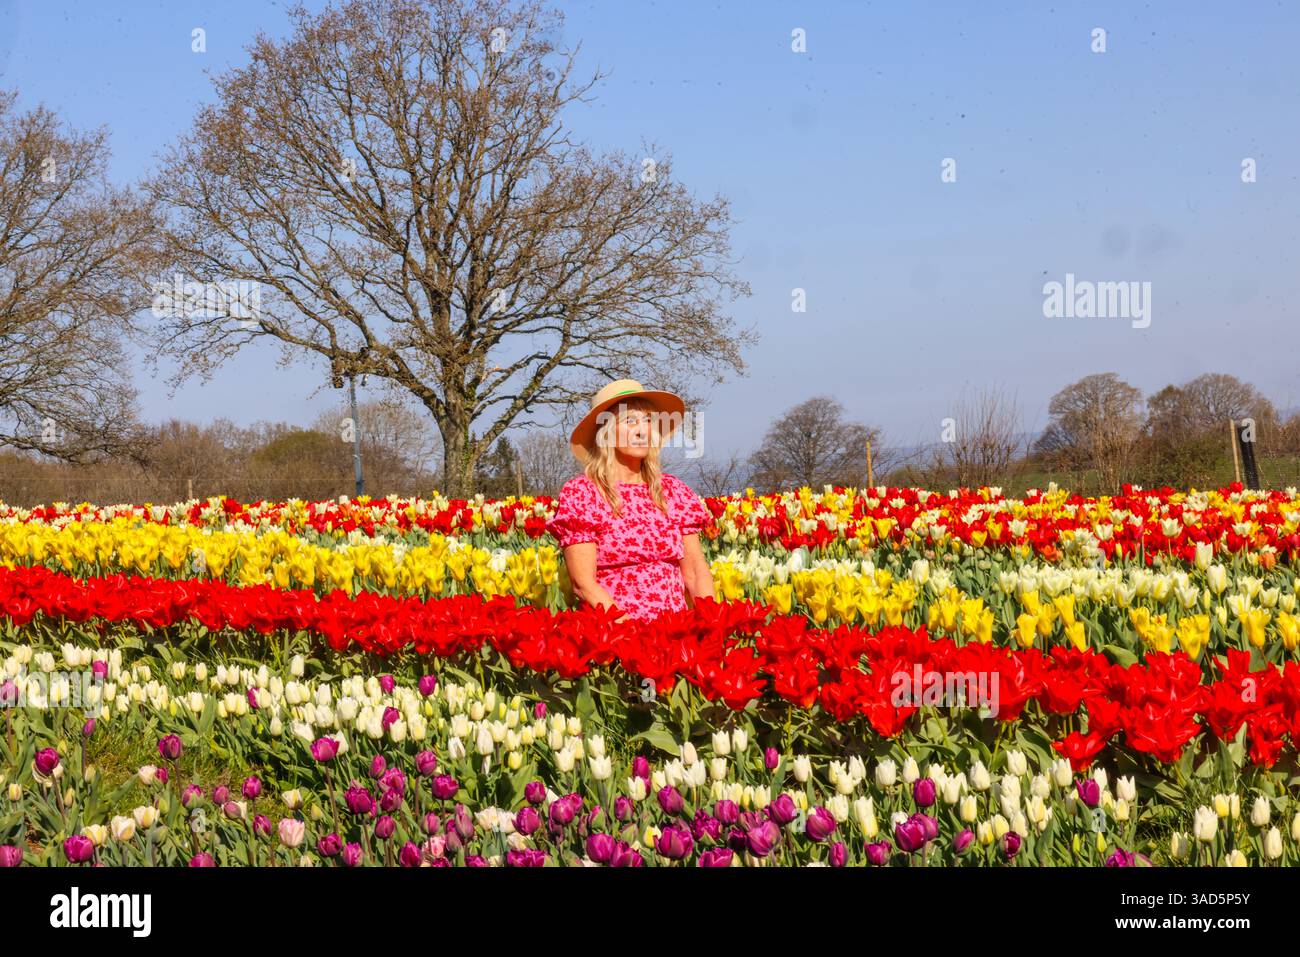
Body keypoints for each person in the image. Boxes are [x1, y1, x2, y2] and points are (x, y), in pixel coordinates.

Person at [547, 379, 714, 621]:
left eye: (648, 421)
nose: (642, 430)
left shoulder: (673, 492)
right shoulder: (584, 494)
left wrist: (713, 625)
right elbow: (583, 584)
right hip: (616, 637)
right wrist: (631, 636)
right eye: (630, 421)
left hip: (675, 635)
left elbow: (696, 573)